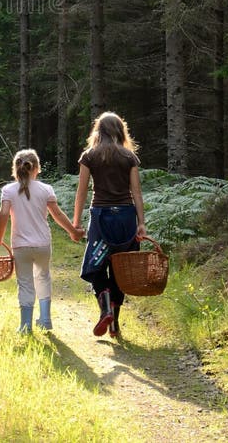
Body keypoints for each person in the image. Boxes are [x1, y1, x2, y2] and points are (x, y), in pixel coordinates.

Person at [0, 148, 84, 333]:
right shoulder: (45, 189)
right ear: (37, 169)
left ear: (15, 168)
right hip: (43, 245)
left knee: (25, 282)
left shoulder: (8, 190)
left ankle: (26, 325)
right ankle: (45, 319)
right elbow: (57, 214)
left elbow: (3, 214)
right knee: (43, 277)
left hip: (21, 246)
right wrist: (72, 231)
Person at [72, 111, 146, 338]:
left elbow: (82, 191)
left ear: (99, 131)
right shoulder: (129, 157)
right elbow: (136, 192)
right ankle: (114, 324)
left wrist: (75, 222)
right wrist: (141, 223)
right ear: (120, 131)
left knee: (94, 265)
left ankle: (104, 305)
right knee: (120, 269)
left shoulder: (89, 156)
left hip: (101, 218)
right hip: (125, 219)